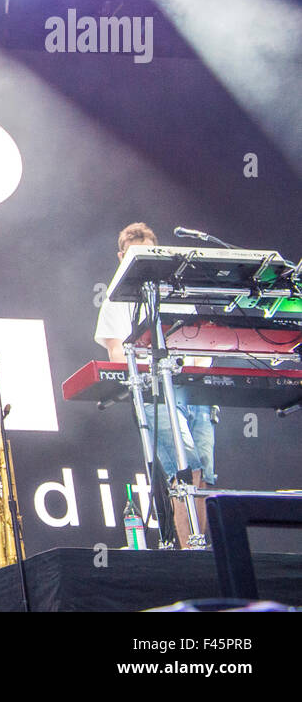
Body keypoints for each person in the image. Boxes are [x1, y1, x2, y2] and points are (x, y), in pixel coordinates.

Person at [95, 221, 217, 547]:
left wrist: (197, 369)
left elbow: (199, 344)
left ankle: (203, 551)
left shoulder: (176, 294)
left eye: (148, 254)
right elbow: (118, 355)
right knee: (184, 471)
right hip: (155, 393)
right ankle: (192, 552)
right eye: (134, 256)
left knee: (204, 475)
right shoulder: (114, 301)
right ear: (121, 256)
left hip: (193, 391)